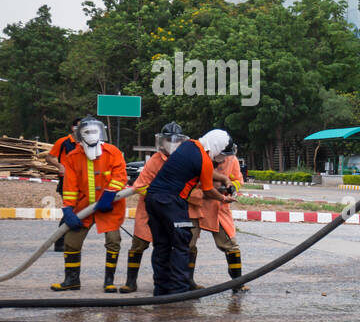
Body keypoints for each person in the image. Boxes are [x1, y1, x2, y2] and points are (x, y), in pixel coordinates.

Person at [144, 128, 231, 296]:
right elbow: (207, 190)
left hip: (153, 199)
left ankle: (161, 290)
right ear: (216, 146)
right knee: (181, 244)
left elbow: (203, 170)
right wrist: (222, 198)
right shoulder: (204, 160)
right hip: (171, 202)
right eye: (222, 154)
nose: (221, 158)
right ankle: (179, 290)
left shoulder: (188, 146)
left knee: (162, 245)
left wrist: (223, 178)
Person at [50, 117, 128, 292]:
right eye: (87, 132)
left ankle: (109, 281)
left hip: (110, 205)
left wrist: (109, 195)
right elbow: (70, 186)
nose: (91, 135)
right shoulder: (73, 157)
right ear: (79, 134)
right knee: (71, 241)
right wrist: (68, 209)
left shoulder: (113, 152)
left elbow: (120, 176)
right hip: (84, 208)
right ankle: (71, 281)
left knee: (113, 241)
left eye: (94, 131)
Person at [118, 122, 187, 293]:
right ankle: (131, 281)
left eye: (176, 141)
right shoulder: (155, 161)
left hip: (173, 211)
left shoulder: (185, 161)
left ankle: (179, 281)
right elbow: (140, 185)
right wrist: (161, 193)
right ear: (161, 142)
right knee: (139, 244)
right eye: (168, 140)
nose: (172, 144)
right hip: (150, 210)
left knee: (173, 247)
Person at [187, 134, 247, 291]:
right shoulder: (200, 155)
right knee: (188, 244)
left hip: (218, 206)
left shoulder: (231, 160)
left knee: (231, 245)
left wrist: (231, 188)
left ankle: (237, 281)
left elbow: (238, 180)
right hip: (196, 204)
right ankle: (187, 282)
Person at [45, 117, 82, 253]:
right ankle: (60, 242)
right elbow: (48, 158)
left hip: (81, 182)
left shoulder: (85, 143)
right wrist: (60, 165)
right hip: (66, 181)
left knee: (77, 211)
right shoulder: (63, 142)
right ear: (73, 128)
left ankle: (68, 240)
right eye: (79, 126)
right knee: (70, 210)